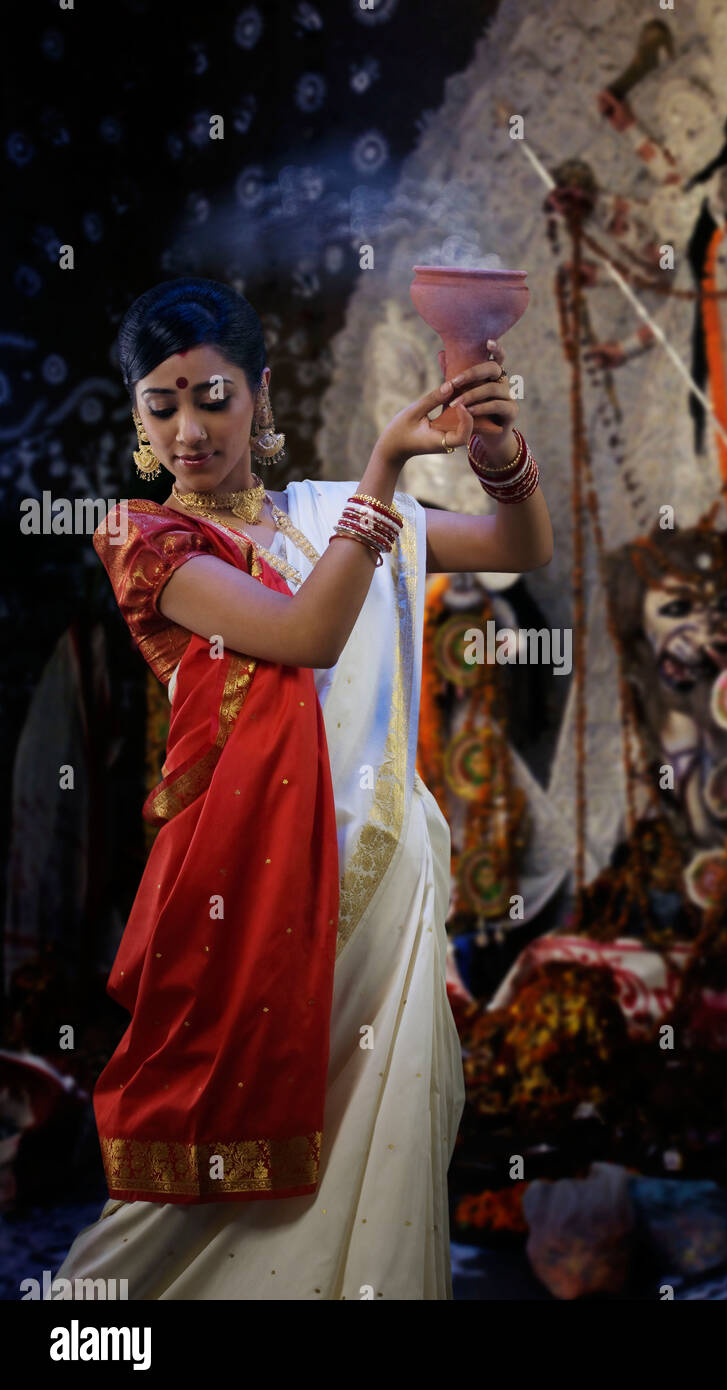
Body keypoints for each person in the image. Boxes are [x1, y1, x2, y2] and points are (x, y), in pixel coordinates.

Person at [52, 277, 552, 1299]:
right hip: (252, 896)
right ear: (140, 418)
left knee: (379, 1141)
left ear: (261, 396)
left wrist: (499, 457)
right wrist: (385, 467)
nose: (189, 428)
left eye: (213, 396)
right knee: (193, 1180)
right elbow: (303, 632)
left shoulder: (327, 516)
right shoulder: (150, 544)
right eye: (163, 403)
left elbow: (515, 546)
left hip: (380, 878)